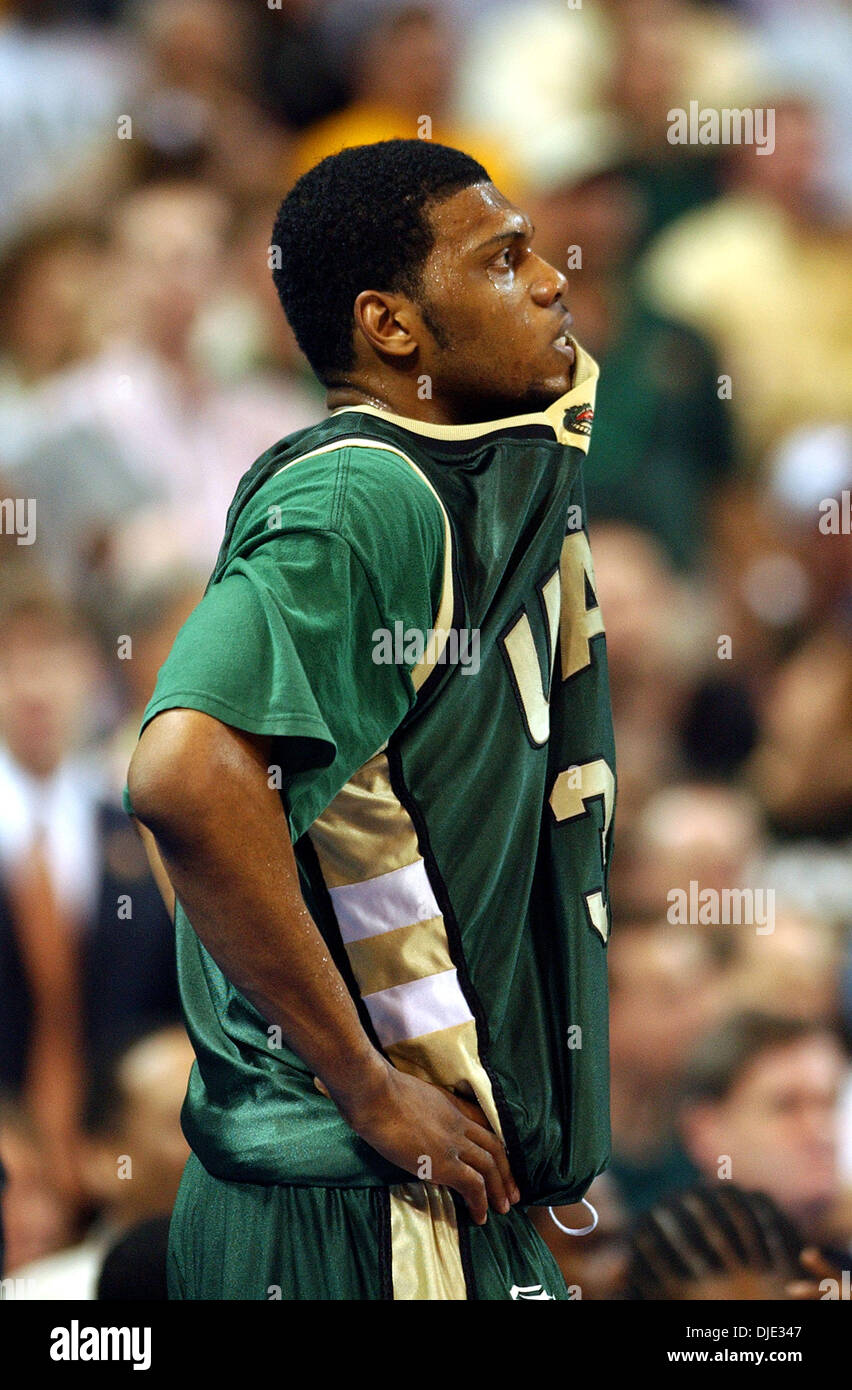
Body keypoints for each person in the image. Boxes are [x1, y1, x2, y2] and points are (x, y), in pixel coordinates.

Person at [126, 138, 616, 1301]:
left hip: (439, 1187)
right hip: (355, 1202)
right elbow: (185, 773)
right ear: (392, 328)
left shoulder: (480, 472)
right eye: (503, 260)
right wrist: (362, 1080)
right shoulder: (364, 494)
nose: (552, 280)